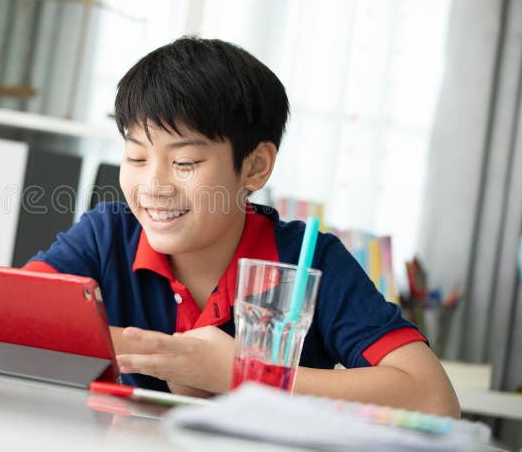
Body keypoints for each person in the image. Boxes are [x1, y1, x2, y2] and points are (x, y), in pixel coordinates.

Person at [24, 37, 460, 417]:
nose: (153, 185)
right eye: (136, 157)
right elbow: (10, 321)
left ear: (255, 167)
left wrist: (242, 373)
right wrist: (178, 359)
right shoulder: (109, 235)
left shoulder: (312, 261)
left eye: (184, 162)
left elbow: (434, 400)